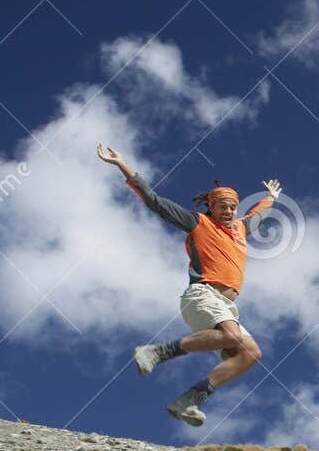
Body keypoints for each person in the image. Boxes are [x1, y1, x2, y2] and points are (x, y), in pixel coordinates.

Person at [96, 143, 280, 427]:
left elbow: (258, 214)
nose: (228, 211)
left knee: (251, 353)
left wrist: (271, 197)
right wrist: (123, 165)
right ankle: (155, 352)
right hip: (202, 294)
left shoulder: (240, 229)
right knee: (232, 338)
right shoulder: (199, 223)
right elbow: (154, 201)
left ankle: (189, 400)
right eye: (222, 206)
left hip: (226, 305)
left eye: (232, 206)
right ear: (211, 206)